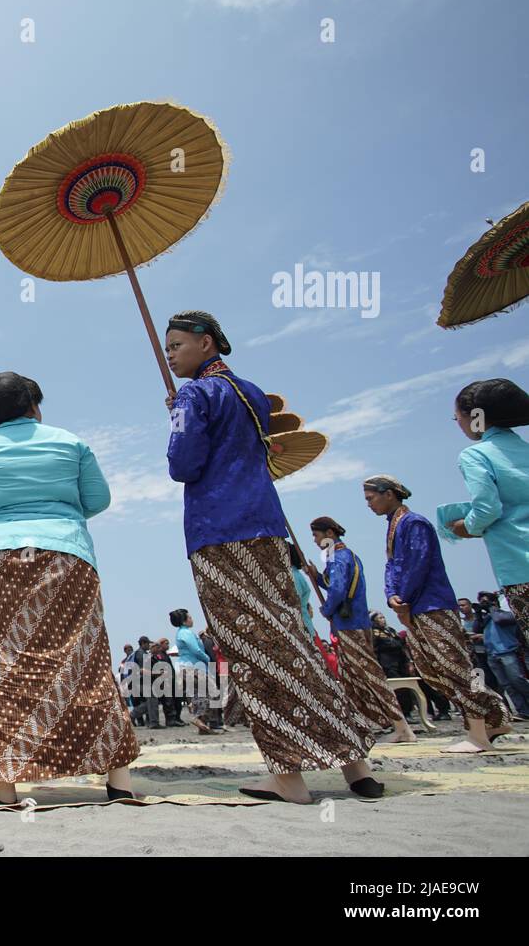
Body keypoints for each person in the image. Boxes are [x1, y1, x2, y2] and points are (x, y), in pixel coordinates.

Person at [164, 311, 377, 803]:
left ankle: (289, 778)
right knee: (293, 637)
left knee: (254, 650)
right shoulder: (251, 392)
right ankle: (355, 766)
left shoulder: (195, 394)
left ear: (206, 342)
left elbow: (183, 464)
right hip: (264, 525)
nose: (171, 353)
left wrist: (176, 418)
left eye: (177, 344)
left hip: (219, 531)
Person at [0, 372, 138, 805]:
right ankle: (118, 780)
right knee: (85, 663)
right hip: (68, 555)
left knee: (2, 669)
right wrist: (60, 513)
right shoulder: (70, 443)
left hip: (1, 560)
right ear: (34, 406)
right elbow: (98, 500)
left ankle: (4, 786)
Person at [363, 474, 510, 751]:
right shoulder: (394, 526)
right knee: (430, 668)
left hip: (434, 603)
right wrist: (392, 595)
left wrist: (402, 597)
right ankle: (492, 717)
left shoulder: (414, 523)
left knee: (454, 664)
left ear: (389, 494)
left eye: (371, 498)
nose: (369, 505)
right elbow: (392, 566)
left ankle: (479, 730)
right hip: (414, 605)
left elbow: (417, 563)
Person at [305, 517, 414, 743]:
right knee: (351, 675)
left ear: (329, 533)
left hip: (349, 623)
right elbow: (333, 583)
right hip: (358, 621)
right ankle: (363, 723)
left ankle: (401, 726)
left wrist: (327, 608)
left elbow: (337, 589)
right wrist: (315, 576)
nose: (315, 541)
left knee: (368, 674)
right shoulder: (348, 556)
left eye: (316, 536)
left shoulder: (338, 556)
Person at [448, 379, 529, 647]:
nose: (457, 423)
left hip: (520, 566)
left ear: (476, 417)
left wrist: (466, 526)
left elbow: (487, 508)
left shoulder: (475, 455)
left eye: (457, 417)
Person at [172, 610, 219, 735]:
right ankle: (197, 718)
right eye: (190, 617)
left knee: (198, 696)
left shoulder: (182, 633)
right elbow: (196, 650)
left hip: (188, 667)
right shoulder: (185, 633)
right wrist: (207, 658)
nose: (192, 619)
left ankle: (202, 727)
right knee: (212, 693)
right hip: (193, 667)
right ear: (184, 620)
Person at [481, 601, 529, 718]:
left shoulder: (507, 615)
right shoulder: (487, 619)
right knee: (507, 685)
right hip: (492, 654)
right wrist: (479, 613)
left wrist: (492, 608)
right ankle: (523, 711)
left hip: (508, 652)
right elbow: (477, 627)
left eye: (486, 601)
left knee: (517, 680)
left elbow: (499, 620)